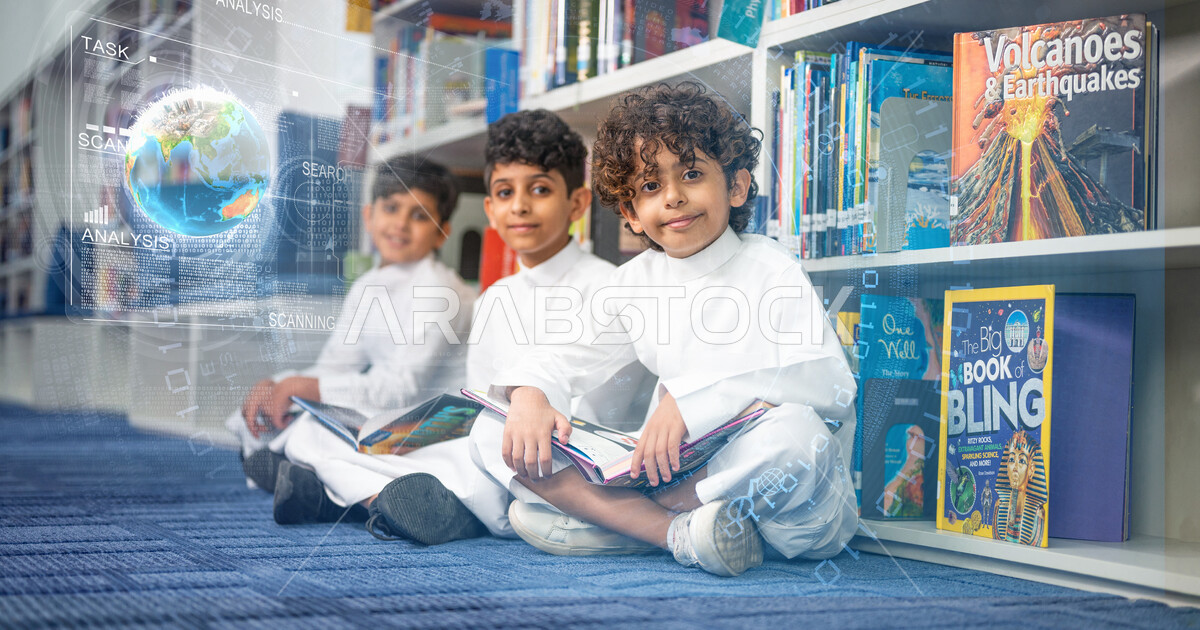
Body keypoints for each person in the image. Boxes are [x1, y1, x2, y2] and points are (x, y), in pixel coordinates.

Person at [471, 82, 859, 576]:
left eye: (692, 174)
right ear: (631, 212)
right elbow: (568, 355)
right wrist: (528, 394)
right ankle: (673, 533)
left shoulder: (770, 265)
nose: (674, 197)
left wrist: (691, 401)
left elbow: (828, 383)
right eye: (651, 186)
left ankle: (625, 524)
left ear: (736, 186)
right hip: (667, 467)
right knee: (494, 429)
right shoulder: (633, 281)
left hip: (779, 501)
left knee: (799, 433)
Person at [280, 110, 649, 545]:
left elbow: (594, 414)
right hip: (488, 447)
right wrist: (409, 432)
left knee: (485, 461)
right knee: (319, 434)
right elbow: (479, 401)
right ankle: (380, 498)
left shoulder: (608, 286)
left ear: (577, 204)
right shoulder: (495, 297)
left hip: (558, 461)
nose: (521, 206)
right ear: (490, 209)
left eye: (540, 190)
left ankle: (352, 497)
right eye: (505, 192)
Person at [223, 156, 474, 523]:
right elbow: (334, 366)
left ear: (441, 232)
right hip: (386, 411)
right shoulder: (368, 285)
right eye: (391, 209)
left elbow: (402, 390)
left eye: (419, 216)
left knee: (309, 433)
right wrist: (279, 384)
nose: (401, 224)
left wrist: (306, 387)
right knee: (277, 415)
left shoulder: (439, 292)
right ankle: (326, 490)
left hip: (436, 422)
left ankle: (354, 496)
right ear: (369, 216)